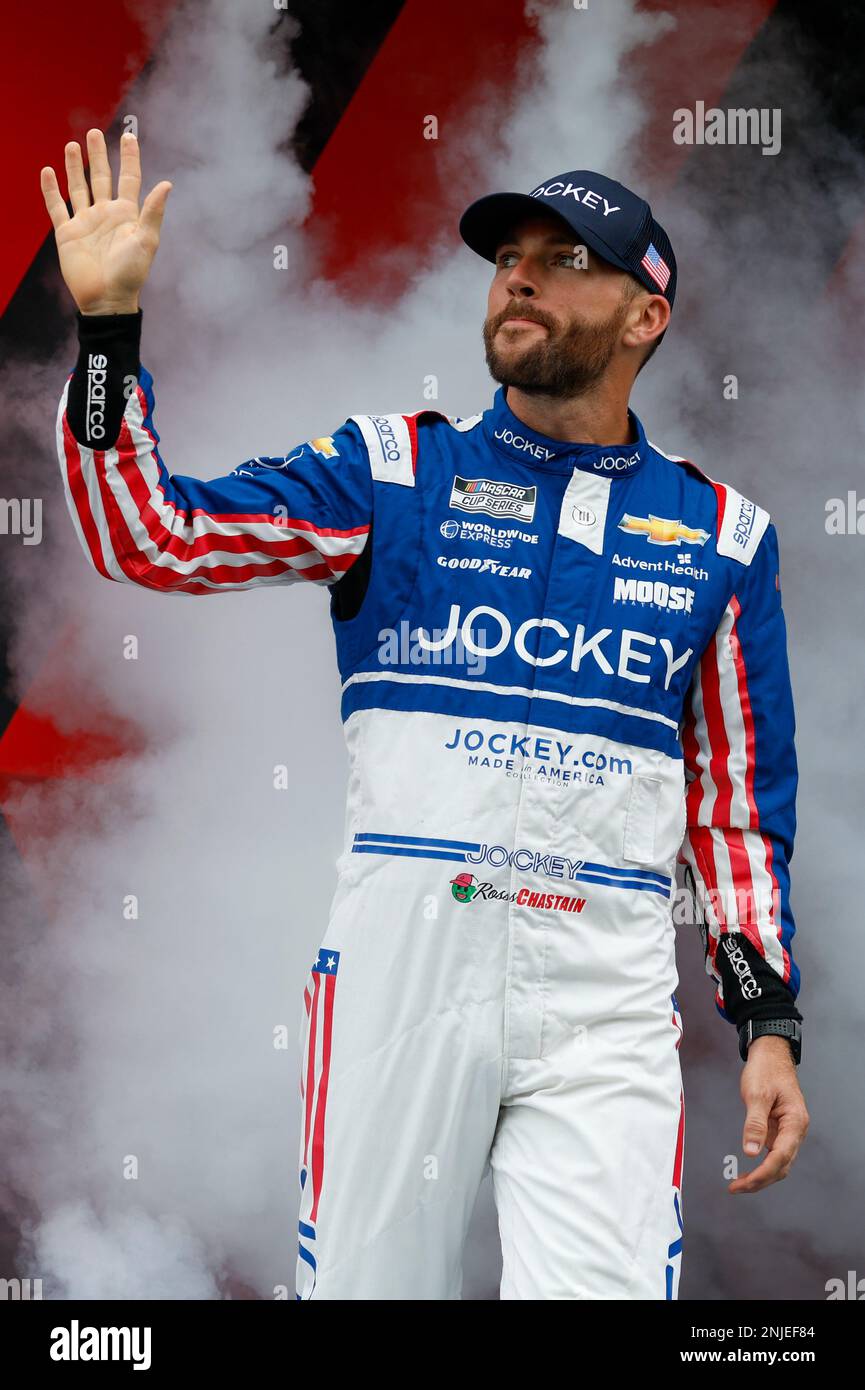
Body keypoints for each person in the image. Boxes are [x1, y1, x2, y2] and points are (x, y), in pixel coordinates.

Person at [42, 131, 809, 1301]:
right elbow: (150, 536)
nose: (520, 276)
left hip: (601, 1000)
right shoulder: (391, 472)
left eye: (565, 260)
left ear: (645, 316)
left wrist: (764, 1019)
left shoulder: (724, 537)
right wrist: (107, 336)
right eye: (509, 255)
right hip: (403, 974)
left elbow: (736, 813)